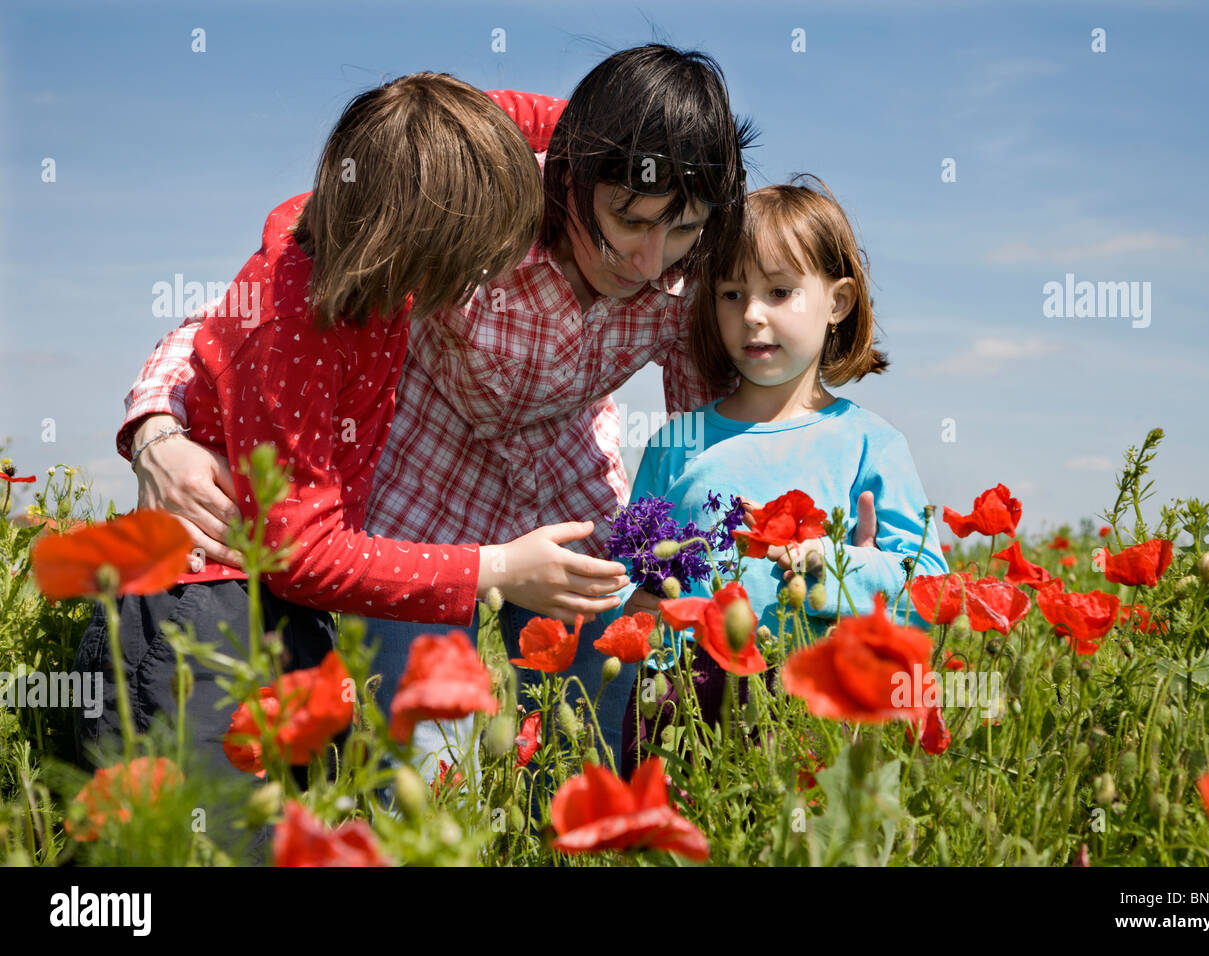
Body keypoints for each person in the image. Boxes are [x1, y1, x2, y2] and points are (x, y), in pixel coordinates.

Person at [117, 46, 755, 776]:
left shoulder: (695, 269)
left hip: (567, 484)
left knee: (587, 744)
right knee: (417, 757)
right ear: (571, 175)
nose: (649, 262)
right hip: (418, 480)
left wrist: (679, 567)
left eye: (681, 230)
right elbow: (279, 281)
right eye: (628, 221)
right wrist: (157, 428)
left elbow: (705, 449)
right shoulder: (474, 190)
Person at [616, 176, 951, 773]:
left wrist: (841, 566)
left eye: (778, 291)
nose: (751, 315)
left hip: (812, 693)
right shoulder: (677, 442)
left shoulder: (869, 444)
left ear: (838, 303)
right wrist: (638, 618)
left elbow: (927, 584)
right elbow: (636, 575)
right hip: (681, 698)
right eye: (729, 293)